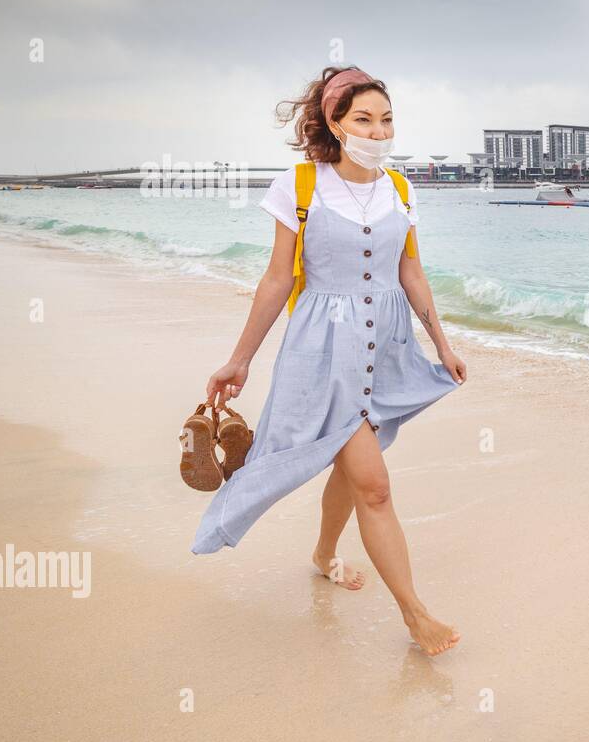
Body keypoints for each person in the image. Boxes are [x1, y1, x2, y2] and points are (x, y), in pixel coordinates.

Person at [192, 65, 466, 656]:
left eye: (387, 119)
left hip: (385, 348)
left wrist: (441, 342)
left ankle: (322, 555)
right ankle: (415, 615)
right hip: (323, 351)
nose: (378, 130)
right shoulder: (299, 186)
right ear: (335, 124)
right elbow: (275, 280)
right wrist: (239, 360)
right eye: (363, 119)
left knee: (350, 465)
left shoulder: (400, 187)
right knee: (374, 484)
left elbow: (410, 271)